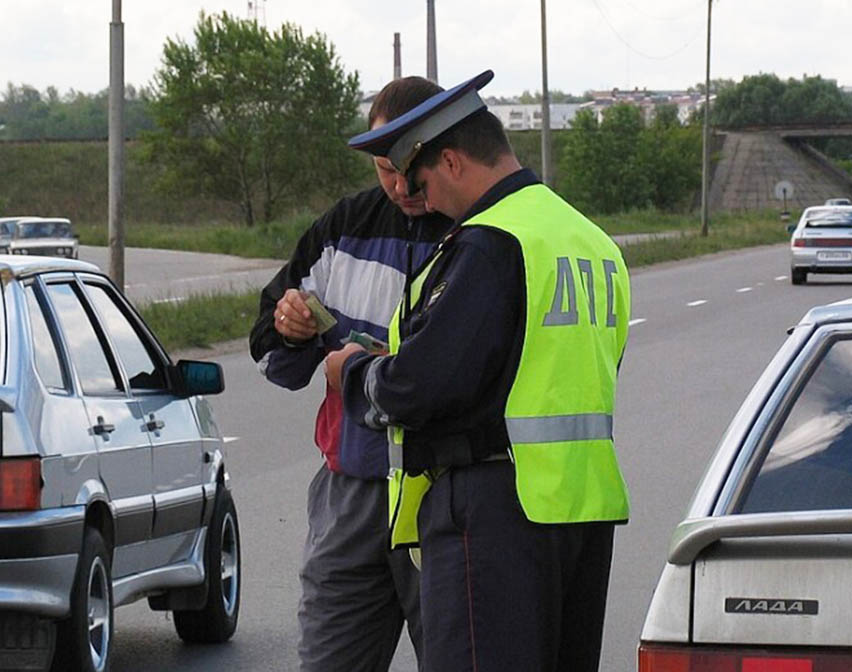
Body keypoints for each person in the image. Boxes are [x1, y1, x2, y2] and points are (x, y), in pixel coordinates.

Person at [324, 70, 631, 672]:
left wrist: (357, 373)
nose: (425, 202)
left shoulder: (491, 243)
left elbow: (419, 387)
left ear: (453, 161)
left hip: (494, 512)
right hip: (579, 509)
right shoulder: (591, 242)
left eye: (424, 183)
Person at [249, 76, 452, 672]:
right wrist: (290, 330)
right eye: (383, 169)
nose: (399, 185)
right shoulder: (343, 229)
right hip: (352, 496)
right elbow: (272, 357)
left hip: (447, 495)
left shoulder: (480, 233)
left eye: (408, 167)